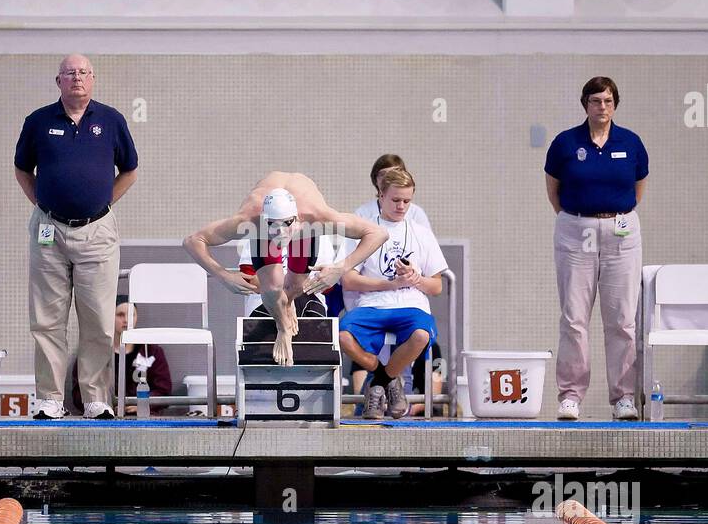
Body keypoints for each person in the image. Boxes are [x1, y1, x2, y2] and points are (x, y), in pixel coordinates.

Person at [15, 54, 138, 420]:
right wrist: (42, 202)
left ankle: (96, 398)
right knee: (47, 319)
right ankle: (50, 399)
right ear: (58, 81)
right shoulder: (37, 121)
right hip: (49, 229)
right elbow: (22, 169)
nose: (77, 78)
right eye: (70, 73)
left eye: (83, 73)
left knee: (99, 319)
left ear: (93, 79)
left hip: (97, 230)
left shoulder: (111, 120)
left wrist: (102, 202)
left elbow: (129, 170)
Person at [183, 172, 386, 367]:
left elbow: (378, 233)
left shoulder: (317, 218)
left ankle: (289, 304)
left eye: (286, 225)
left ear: (296, 218)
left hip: (304, 228)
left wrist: (340, 268)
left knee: (295, 284)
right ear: (264, 219)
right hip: (267, 228)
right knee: (271, 287)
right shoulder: (249, 219)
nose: (280, 233)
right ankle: (283, 326)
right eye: (273, 225)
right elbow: (193, 241)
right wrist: (224, 275)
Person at [544, 76, 649, 421]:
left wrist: (612, 216)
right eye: (594, 101)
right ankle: (570, 396)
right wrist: (579, 220)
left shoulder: (630, 143)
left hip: (620, 229)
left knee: (622, 319)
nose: (601, 107)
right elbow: (554, 190)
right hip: (575, 228)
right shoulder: (565, 143)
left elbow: (637, 189)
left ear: (615, 104)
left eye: (606, 101)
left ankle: (623, 397)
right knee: (574, 318)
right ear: (585, 104)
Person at [337, 167, 448, 419]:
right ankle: (390, 379)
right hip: (373, 304)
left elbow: (437, 286)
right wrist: (389, 284)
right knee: (343, 336)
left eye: (407, 201)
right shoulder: (364, 231)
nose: (401, 206)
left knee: (421, 336)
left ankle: (378, 382)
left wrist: (415, 278)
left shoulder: (421, 233)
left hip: (410, 304)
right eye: (395, 200)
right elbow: (348, 279)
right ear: (380, 196)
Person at [73, 300, 173, 416]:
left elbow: (163, 390)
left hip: (143, 415)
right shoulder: (94, 352)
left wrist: (144, 404)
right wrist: (102, 405)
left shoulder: (151, 352)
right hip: (104, 415)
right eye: (120, 315)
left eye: (131, 315)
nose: (126, 320)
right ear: (109, 317)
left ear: (137, 317)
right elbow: (78, 392)